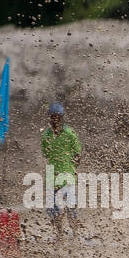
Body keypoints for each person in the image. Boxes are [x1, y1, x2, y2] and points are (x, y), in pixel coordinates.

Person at [40, 102, 84, 241]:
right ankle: (59, 235)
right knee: (53, 209)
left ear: (62, 117)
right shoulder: (46, 135)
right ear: (49, 117)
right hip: (52, 176)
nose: (55, 119)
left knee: (71, 208)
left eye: (58, 116)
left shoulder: (70, 134)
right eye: (53, 116)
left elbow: (78, 153)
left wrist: (73, 165)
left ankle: (76, 234)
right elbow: (45, 153)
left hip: (67, 175)